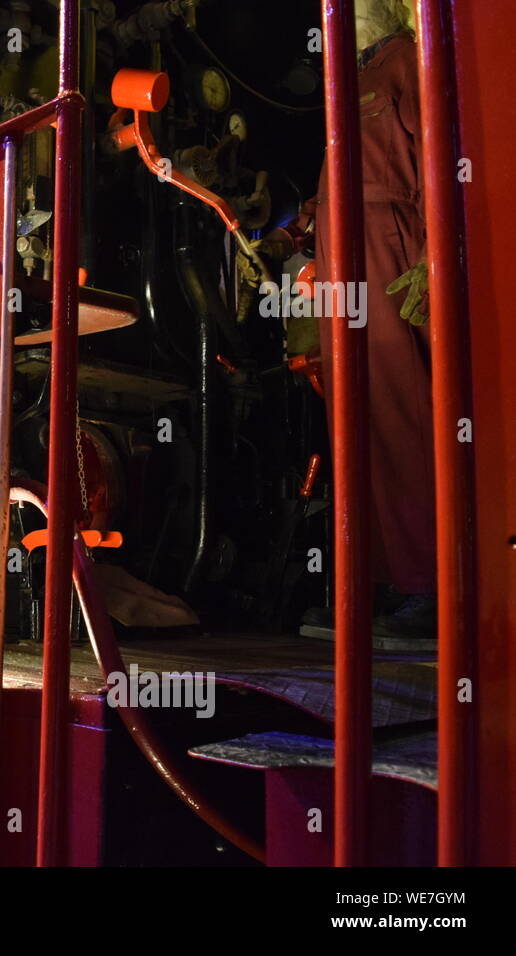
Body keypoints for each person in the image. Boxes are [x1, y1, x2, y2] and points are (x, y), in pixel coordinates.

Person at [256, 0, 432, 640]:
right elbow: (338, 187)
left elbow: (441, 162)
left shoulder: (408, 61)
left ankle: (429, 586)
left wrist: (434, 259)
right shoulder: (353, 84)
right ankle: (395, 581)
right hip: (346, 256)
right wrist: (290, 232)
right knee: (364, 420)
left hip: (387, 252)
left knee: (402, 410)